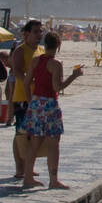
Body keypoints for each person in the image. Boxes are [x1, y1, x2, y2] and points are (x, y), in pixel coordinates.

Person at [20, 32, 83, 190]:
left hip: (36, 103)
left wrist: (30, 102)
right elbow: (57, 87)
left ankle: (28, 178)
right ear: (59, 45)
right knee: (53, 143)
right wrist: (74, 76)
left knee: (35, 142)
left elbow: (26, 83)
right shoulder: (55, 64)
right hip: (49, 104)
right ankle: (53, 180)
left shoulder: (36, 61)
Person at [10, 19, 43, 181]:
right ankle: (19, 167)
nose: (39, 34)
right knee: (20, 134)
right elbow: (16, 71)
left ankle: (29, 166)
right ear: (27, 33)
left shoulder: (40, 50)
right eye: (36, 31)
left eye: (40, 31)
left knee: (33, 134)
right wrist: (29, 83)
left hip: (37, 98)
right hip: (22, 97)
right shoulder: (20, 50)